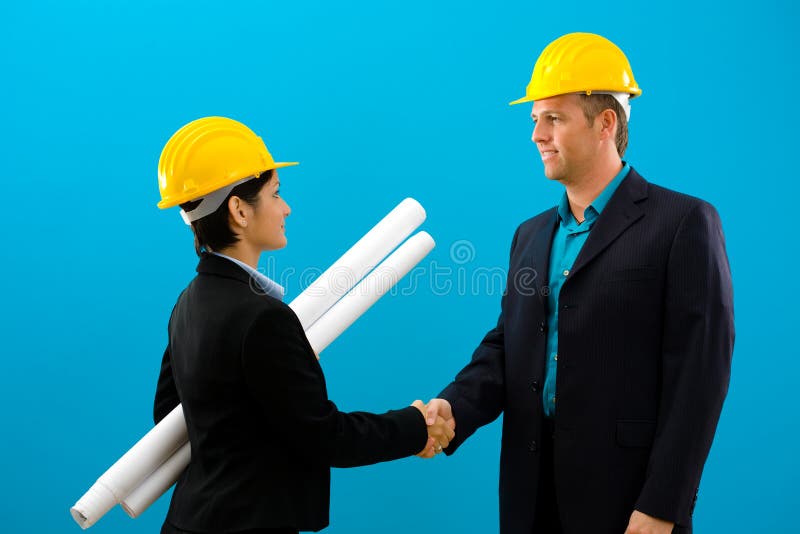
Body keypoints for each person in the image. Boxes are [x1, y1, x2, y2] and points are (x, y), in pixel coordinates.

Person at [423, 32, 734, 534]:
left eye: (554, 118)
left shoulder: (683, 223)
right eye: (534, 120)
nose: (537, 135)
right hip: (531, 495)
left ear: (605, 123)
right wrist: (451, 409)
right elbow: (508, 348)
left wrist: (663, 504)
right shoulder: (530, 235)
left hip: (628, 500)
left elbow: (700, 378)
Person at [152, 116, 454, 534]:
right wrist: (416, 426)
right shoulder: (263, 317)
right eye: (275, 193)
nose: (286, 208)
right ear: (239, 211)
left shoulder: (188, 303)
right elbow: (324, 436)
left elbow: (171, 417)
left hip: (189, 521)